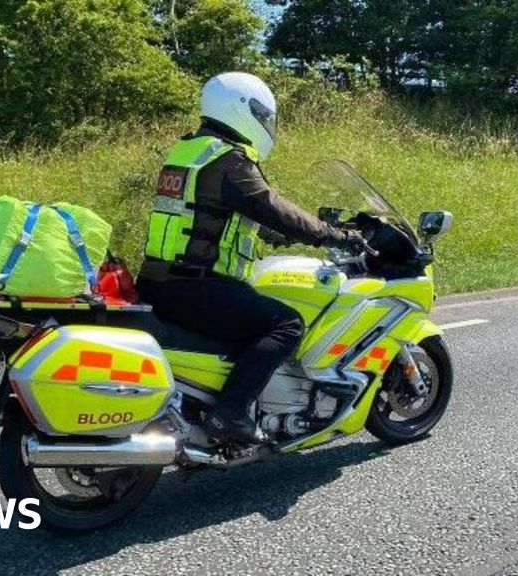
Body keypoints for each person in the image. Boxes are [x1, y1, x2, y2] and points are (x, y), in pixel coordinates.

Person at [136, 72, 369, 444]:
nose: (267, 125)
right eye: (264, 115)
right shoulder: (229, 160)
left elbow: (211, 216)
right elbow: (271, 207)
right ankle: (230, 413)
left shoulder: (190, 152)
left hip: (161, 281)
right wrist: (333, 235)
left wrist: (274, 236)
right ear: (243, 111)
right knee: (287, 324)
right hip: (195, 285)